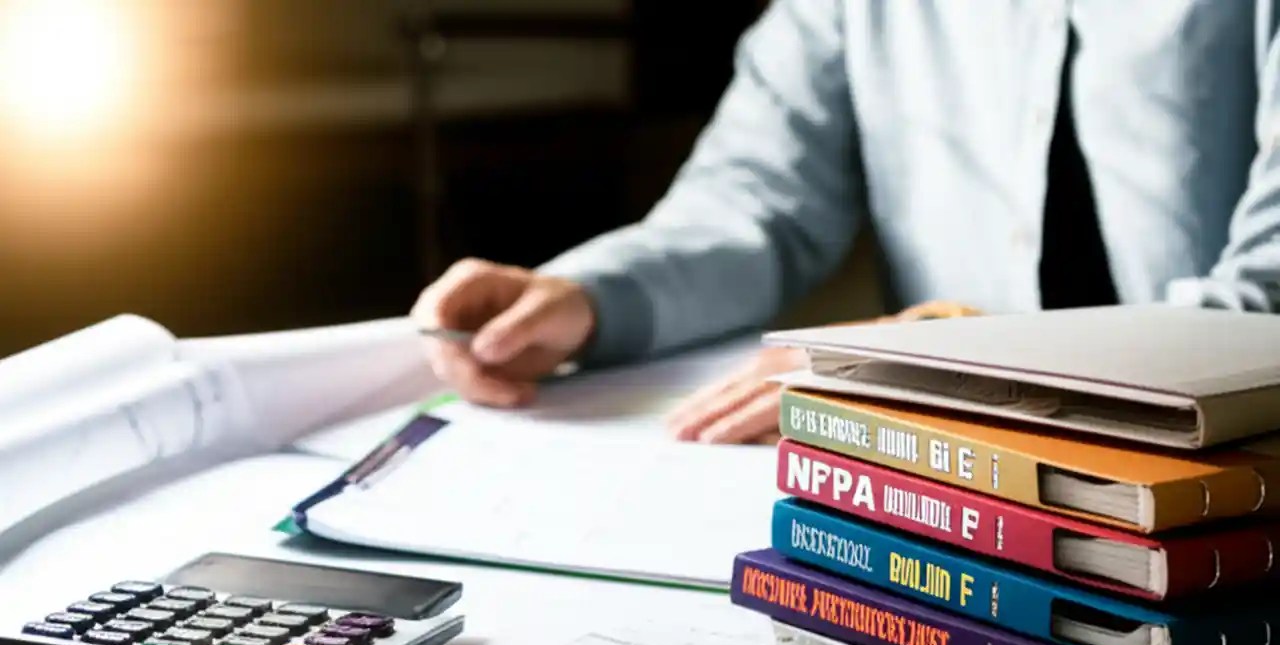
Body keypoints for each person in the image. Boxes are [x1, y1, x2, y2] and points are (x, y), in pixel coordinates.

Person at [412, 1, 1280, 445]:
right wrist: (587, 298)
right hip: (937, 473)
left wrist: (945, 354)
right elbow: (755, 200)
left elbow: (1268, 289)